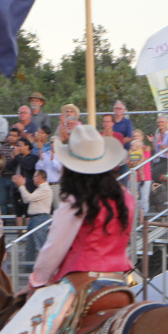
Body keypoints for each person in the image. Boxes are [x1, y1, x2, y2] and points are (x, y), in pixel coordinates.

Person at [26, 124, 135, 290]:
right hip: (120, 278)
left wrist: (37, 280)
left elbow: (55, 246)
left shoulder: (76, 199)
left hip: (81, 278)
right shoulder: (126, 196)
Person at [16, 168, 52, 264]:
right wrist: (21, 186)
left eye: (34, 176)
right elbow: (26, 199)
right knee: (30, 247)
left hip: (40, 219)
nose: (33, 179)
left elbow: (27, 198)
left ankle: (44, 270)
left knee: (40, 246)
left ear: (39, 177)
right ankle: (29, 269)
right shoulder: (41, 189)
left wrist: (21, 186)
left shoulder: (45, 189)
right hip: (35, 219)